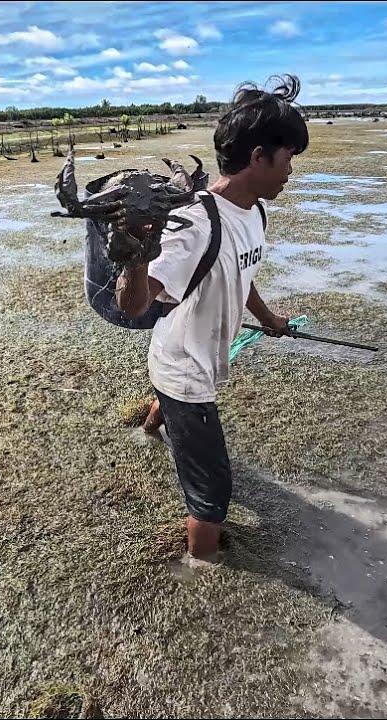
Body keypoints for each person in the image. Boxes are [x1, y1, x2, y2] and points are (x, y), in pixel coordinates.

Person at [116, 74, 308, 563]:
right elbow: (135, 305)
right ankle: (198, 568)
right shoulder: (193, 223)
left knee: (175, 411)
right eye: (288, 160)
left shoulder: (253, 214)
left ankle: (149, 429)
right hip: (184, 372)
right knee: (213, 493)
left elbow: (242, 272)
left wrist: (268, 318)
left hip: (188, 355)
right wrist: (135, 257)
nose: (290, 171)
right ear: (259, 156)